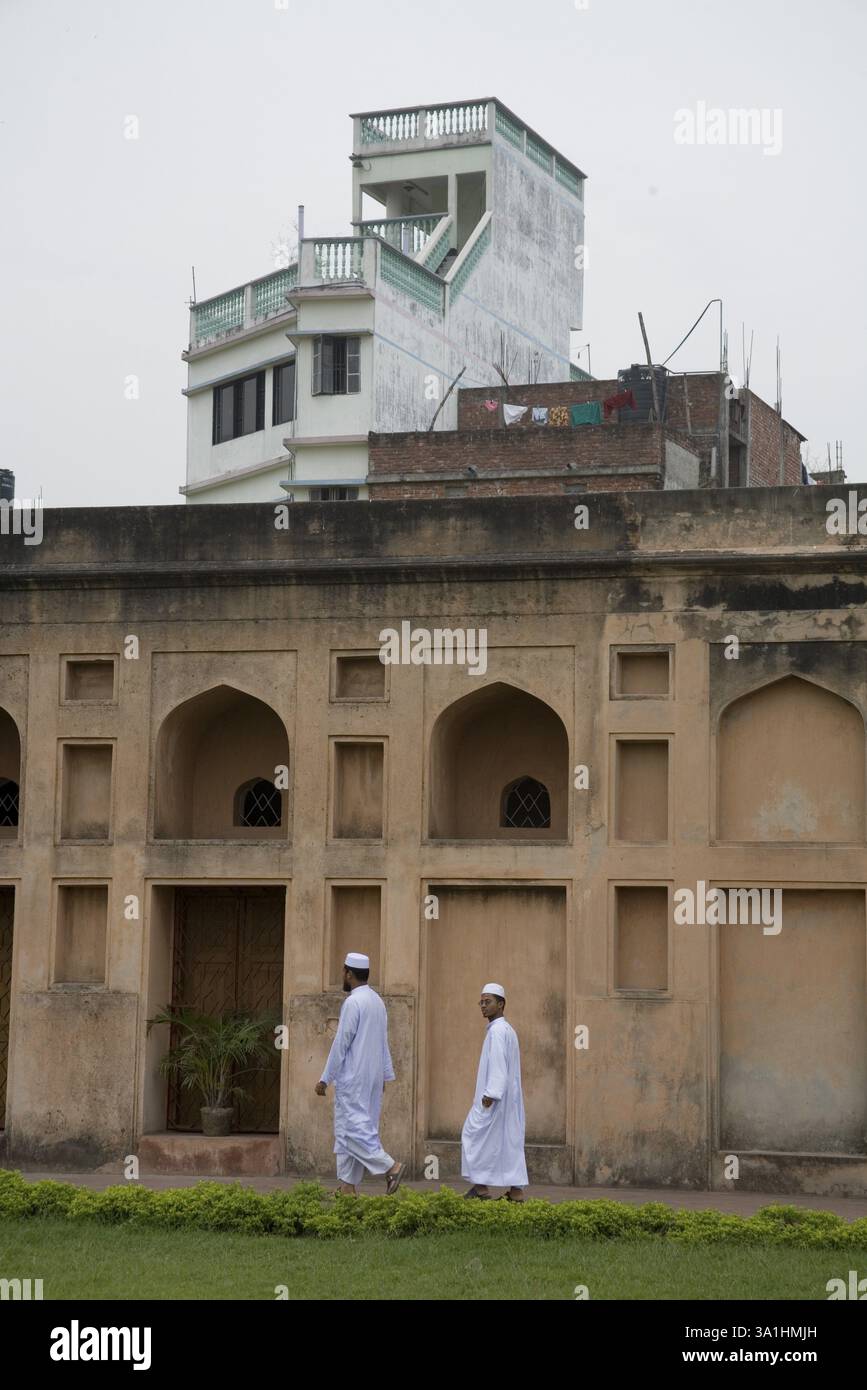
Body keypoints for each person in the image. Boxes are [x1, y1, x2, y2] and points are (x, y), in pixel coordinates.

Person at [315, 951, 404, 1195]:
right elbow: (383, 1042)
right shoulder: (377, 1001)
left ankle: (390, 1167)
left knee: (354, 1131)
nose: (342, 976)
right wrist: (385, 1075)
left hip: (353, 1078)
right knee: (348, 1131)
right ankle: (347, 1188)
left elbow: (341, 1043)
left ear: (349, 974)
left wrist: (325, 1078)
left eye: (343, 972)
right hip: (372, 1078)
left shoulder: (354, 1002)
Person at [461, 983, 528, 1202]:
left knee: (471, 1135)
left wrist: (490, 1094)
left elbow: (499, 1065)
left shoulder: (498, 1031)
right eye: (481, 1002)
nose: (483, 1006)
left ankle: (481, 1190)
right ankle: (514, 1193)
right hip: (507, 1100)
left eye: (488, 1002)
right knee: (509, 1143)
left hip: (494, 1099)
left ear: (501, 1004)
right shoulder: (504, 1029)